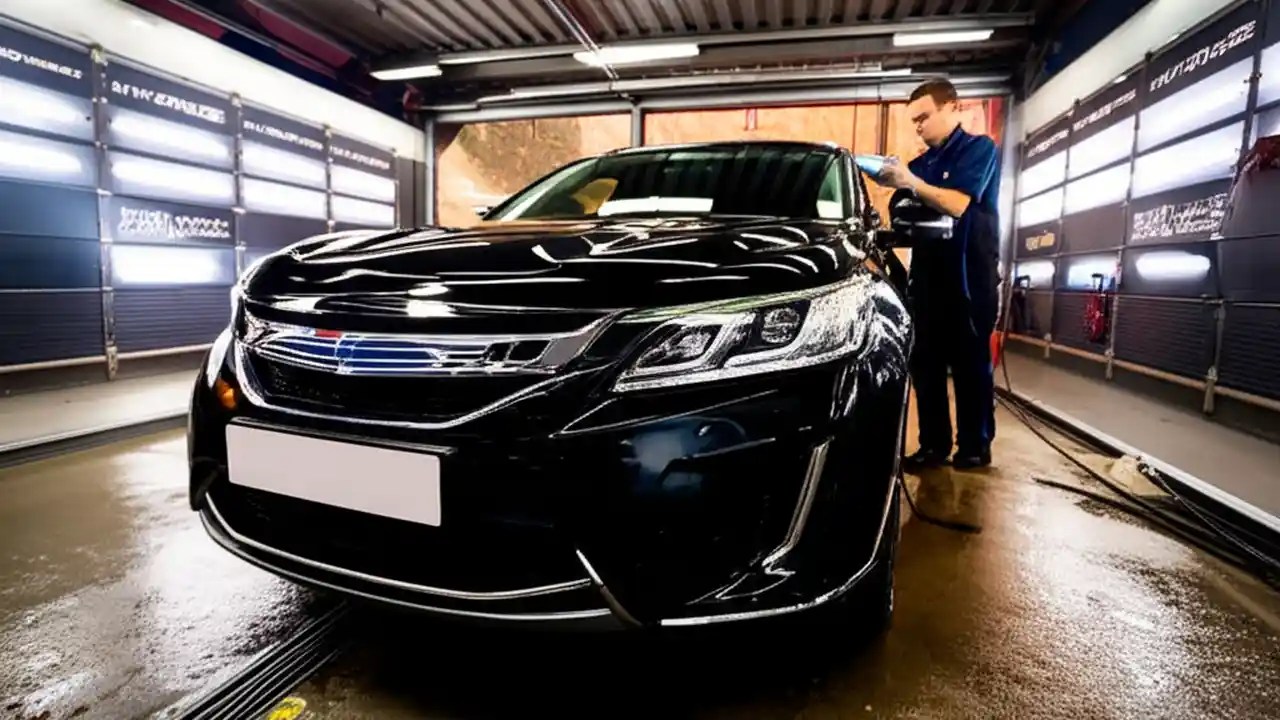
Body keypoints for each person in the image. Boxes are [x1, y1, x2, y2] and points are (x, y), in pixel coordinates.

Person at [877, 78, 1002, 470]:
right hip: (927, 284)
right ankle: (933, 445)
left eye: (924, 118)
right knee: (926, 367)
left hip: (969, 281)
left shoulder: (979, 151)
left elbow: (958, 204)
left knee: (969, 368)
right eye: (913, 121)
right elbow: (901, 216)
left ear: (953, 108)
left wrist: (912, 185)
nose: (919, 127)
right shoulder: (920, 165)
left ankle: (974, 447)